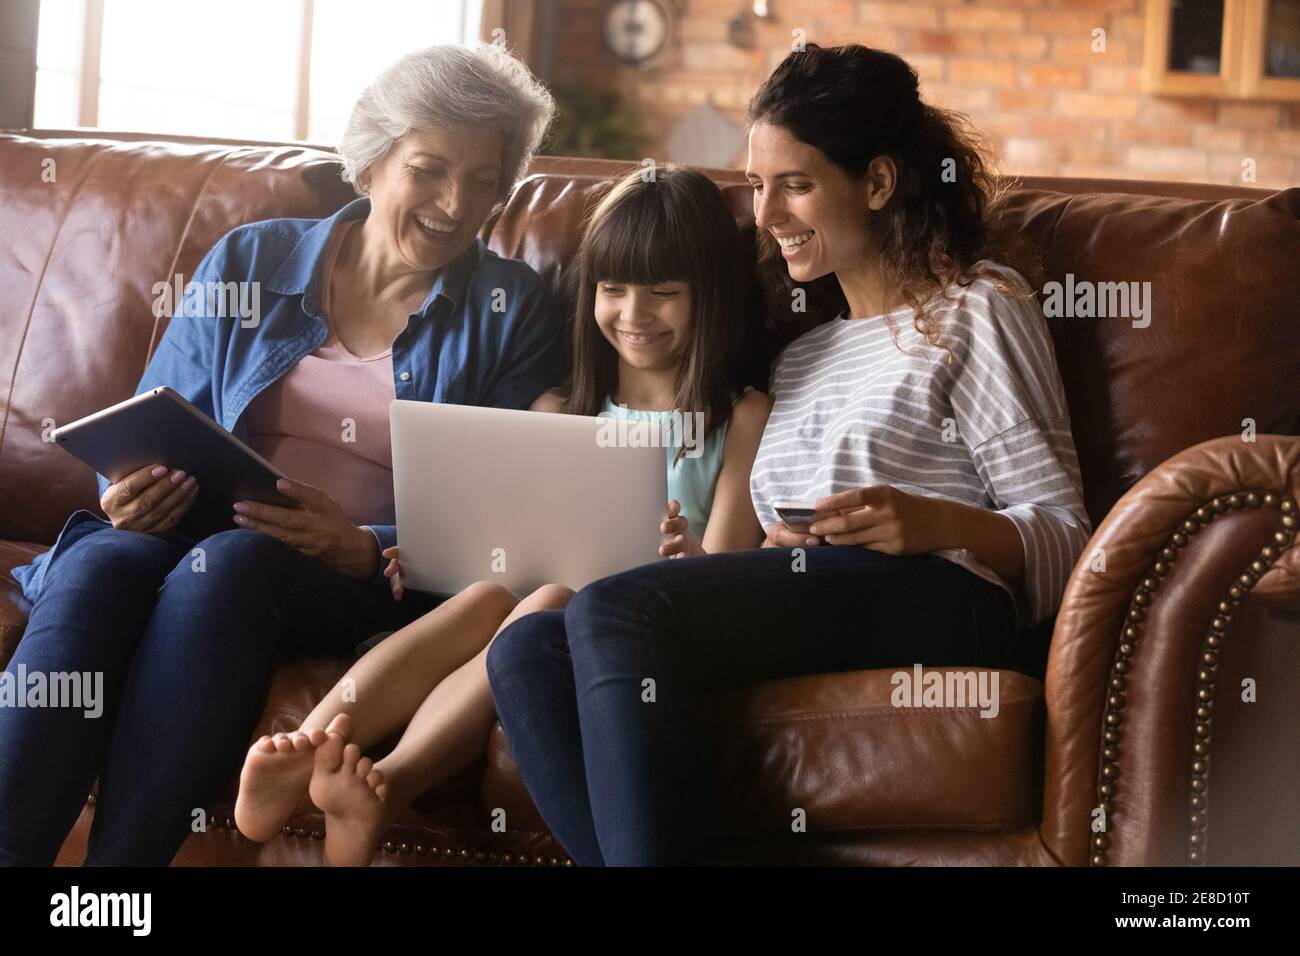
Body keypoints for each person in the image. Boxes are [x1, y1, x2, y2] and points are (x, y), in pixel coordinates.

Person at [485, 43, 1093, 867]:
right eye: (758, 185)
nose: (766, 214)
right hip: (820, 594)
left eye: (796, 184)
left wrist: (927, 521)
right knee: (525, 650)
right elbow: (765, 564)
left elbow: (1068, 538)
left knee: (616, 610)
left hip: (944, 595)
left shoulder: (979, 309)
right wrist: (754, 554)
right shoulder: (802, 360)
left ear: (877, 183)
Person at [0, 43, 559, 866]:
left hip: (352, 578)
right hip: (186, 533)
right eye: (431, 169)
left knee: (230, 565)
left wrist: (366, 545)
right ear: (371, 164)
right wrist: (124, 489)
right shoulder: (252, 260)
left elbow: (502, 522)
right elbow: (156, 422)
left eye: (484, 181)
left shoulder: (512, 310)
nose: (455, 203)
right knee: (100, 563)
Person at [232, 164, 771, 866]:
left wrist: (686, 555)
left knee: (545, 596)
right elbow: (505, 541)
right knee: (490, 594)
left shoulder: (740, 415)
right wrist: (433, 553)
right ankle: (315, 747)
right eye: (613, 290)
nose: (633, 314)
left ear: (712, 297)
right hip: (534, 610)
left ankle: (389, 784)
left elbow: (727, 575)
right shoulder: (558, 409)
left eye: (663, 294)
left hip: (646, 629)